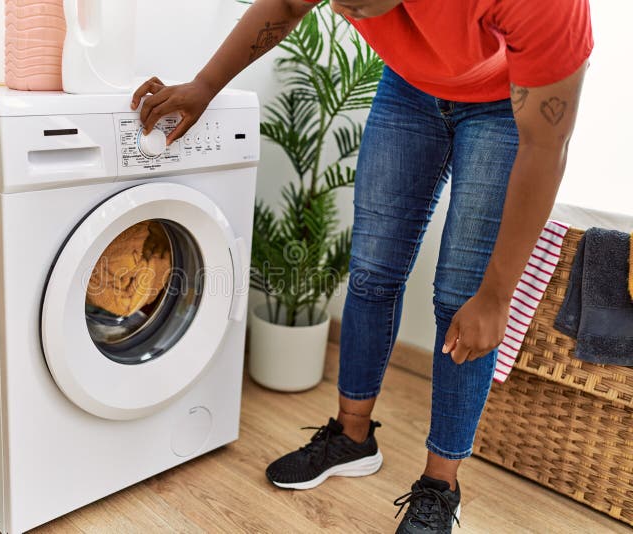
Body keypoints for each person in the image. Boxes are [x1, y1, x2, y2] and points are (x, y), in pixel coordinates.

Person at [131, 0, 592, 532]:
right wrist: (205, 84)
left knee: (459, 301)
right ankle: (352, 439)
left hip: (505, 105)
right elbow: (284, 4)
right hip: (408, 89)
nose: (345, 9)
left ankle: (441, 488)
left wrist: (496, 296)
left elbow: (545, 142)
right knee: (372, 273)